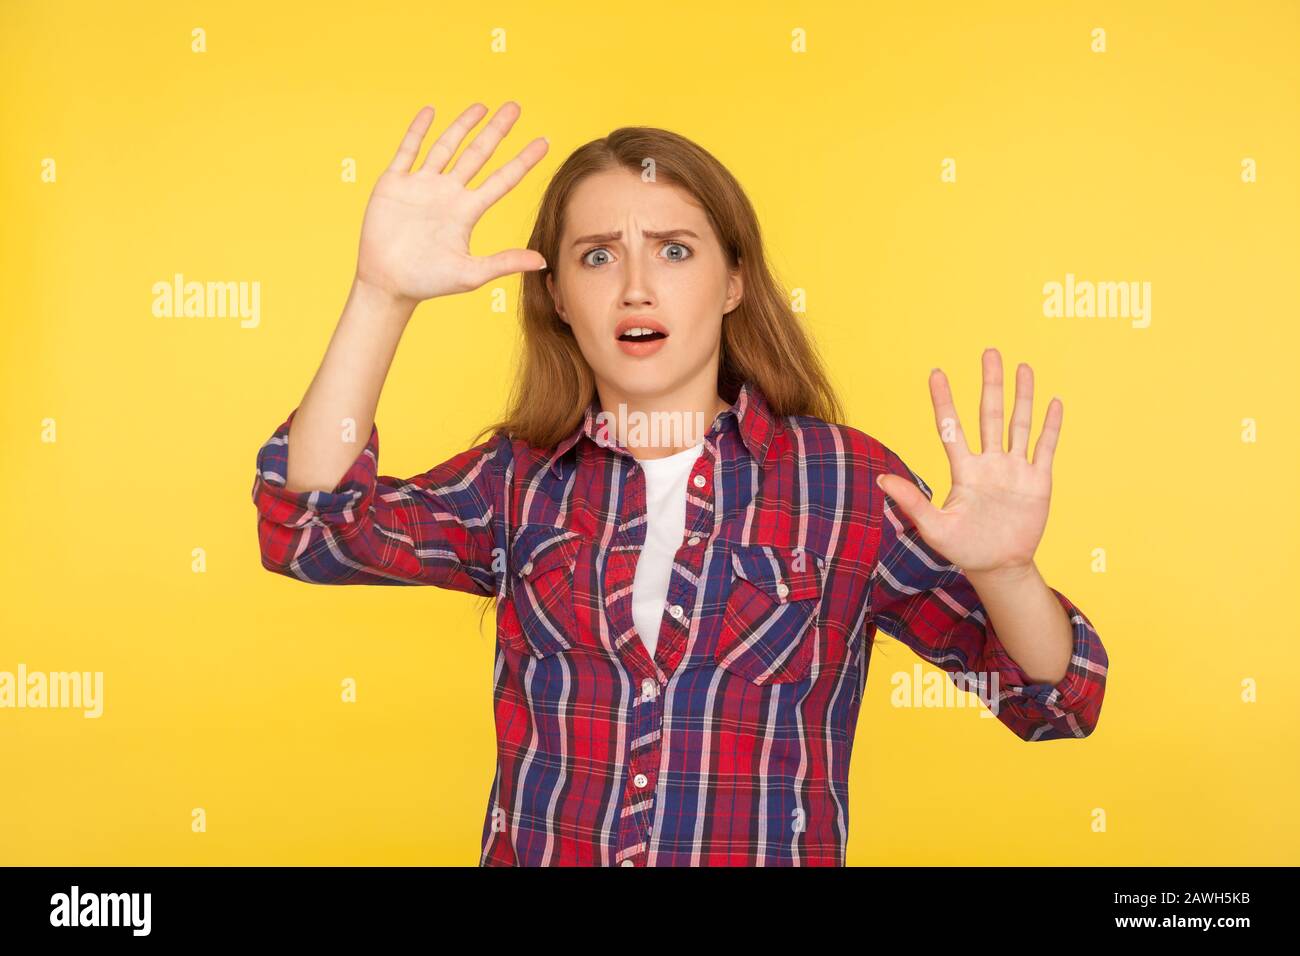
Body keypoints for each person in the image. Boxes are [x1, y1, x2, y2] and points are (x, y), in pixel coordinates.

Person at [250, 101, 1109, 867]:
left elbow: (1056, 704)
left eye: (673, 249)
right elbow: (311, 529)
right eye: (595, 256)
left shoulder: (844, 485)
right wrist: (381, 294)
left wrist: (1005, 576)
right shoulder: (517, 482)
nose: (634, 287)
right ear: (556, 297)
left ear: (733, 280)